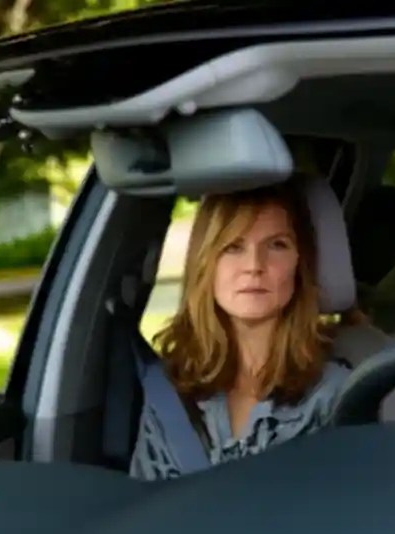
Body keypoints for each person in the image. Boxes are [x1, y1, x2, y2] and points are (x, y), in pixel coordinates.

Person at [130, 178, 350, 480]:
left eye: (276, 245)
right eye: (233, 247)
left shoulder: (336, 393)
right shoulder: (171, 393)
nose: (254, 266)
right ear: (205, 263)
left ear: (300, 265)